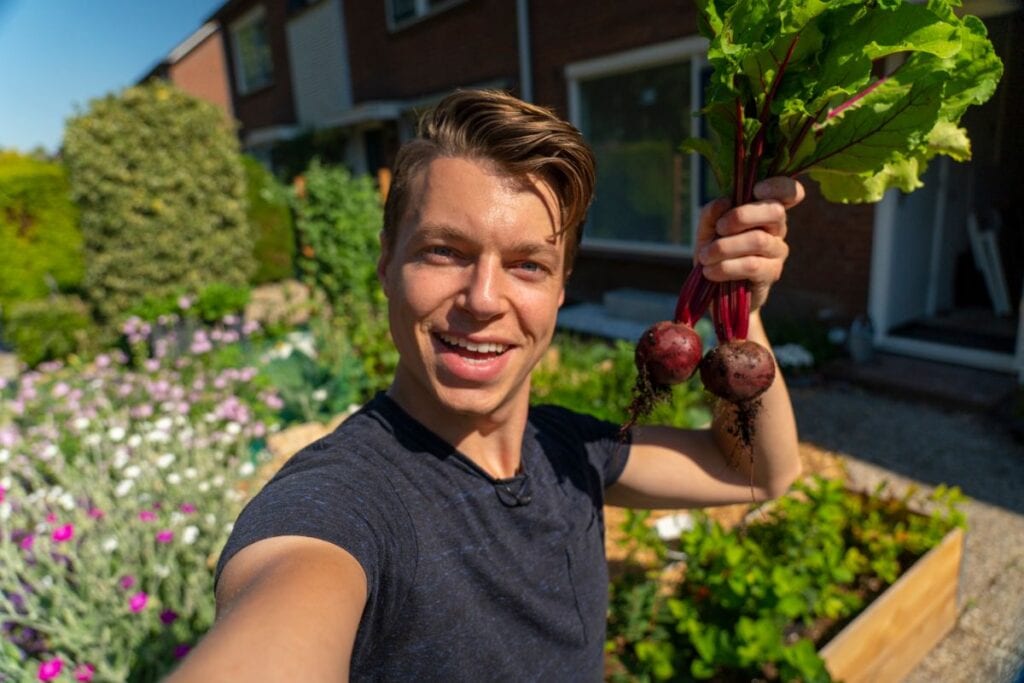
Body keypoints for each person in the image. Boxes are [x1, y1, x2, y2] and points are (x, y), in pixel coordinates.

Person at [169, 89, 804, 681]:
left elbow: (754, 471)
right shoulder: (344, 502)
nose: (483, 299)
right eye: (445, 251)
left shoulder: (568, 450)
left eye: (528, 265)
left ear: (560, 289)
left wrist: (734, 297)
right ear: (387, 262)